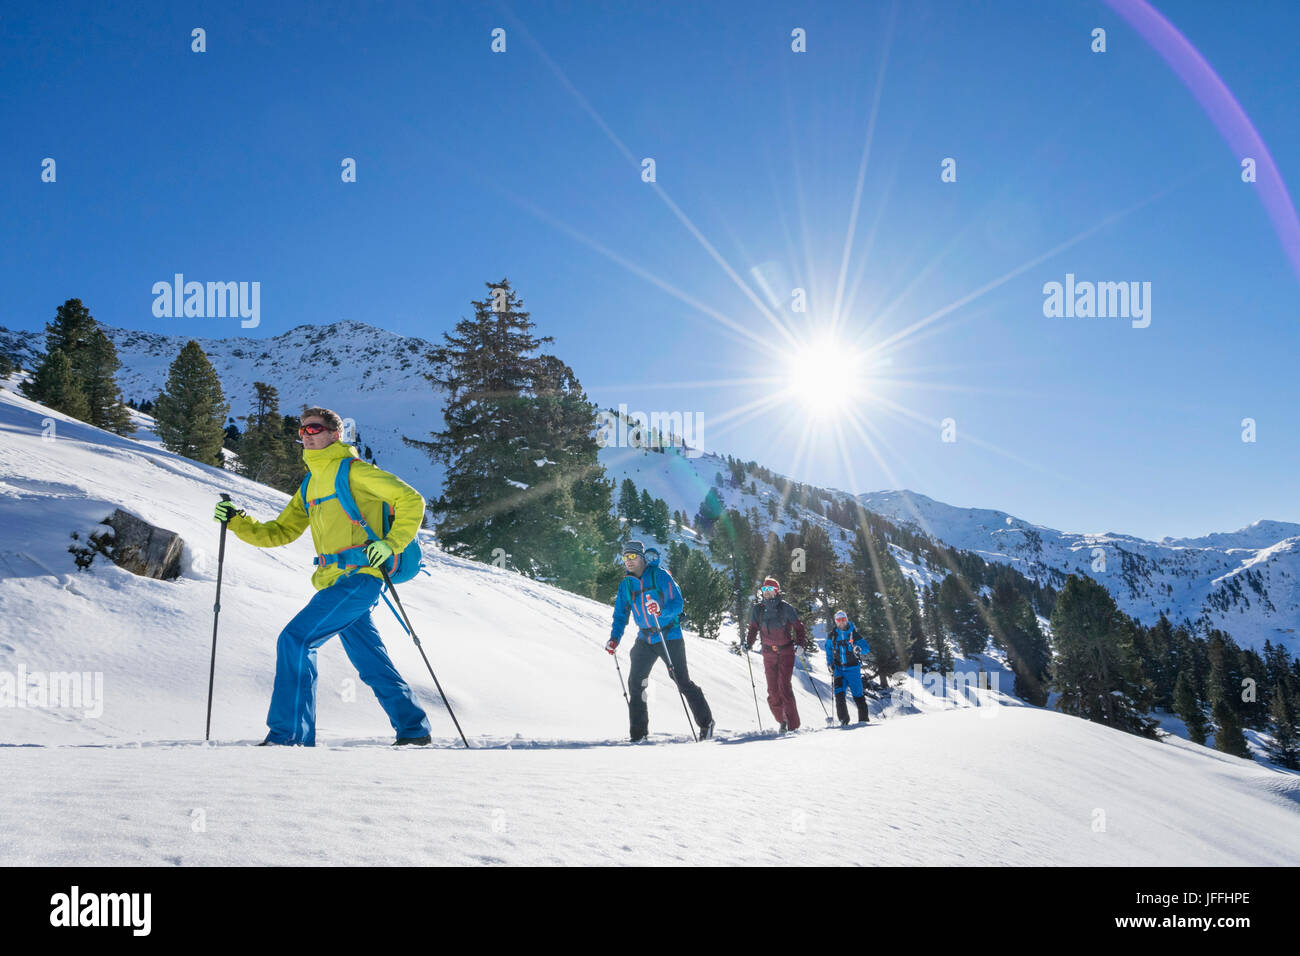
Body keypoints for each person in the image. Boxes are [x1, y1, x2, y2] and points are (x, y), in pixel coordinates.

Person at [212, 406, 432, 747]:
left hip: (360, 577)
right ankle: (414, 730)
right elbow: (280, 531)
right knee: (370, 659)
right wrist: (237, 520)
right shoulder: (310, 485)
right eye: (302, 430)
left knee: (296, 639)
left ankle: (290, 737)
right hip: (334, 581)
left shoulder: (353, 471)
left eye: (314, 429)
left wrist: (391, 544)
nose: (306, 435)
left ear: (335, 434)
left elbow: (411, 500)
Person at [607, 540, 714, 741]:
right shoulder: (626, 585)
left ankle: (706, 723)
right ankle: (638, 735)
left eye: (632, 556)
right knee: (635, 683)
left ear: (641, 557)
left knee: (682, 681)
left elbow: (678, 604)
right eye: (625, 557)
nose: (628, 561)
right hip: (645, 638)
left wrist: (661, 610)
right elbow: (620, 615)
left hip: (669, 635)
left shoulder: (660, 576)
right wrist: (614, 638)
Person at [744, 577, 810, 733]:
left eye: (769, 590)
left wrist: (800, 644)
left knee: (784, 688)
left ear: (776, 591)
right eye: (764, 590)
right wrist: (748, 643)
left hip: (786, 652)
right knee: (772, 692)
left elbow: (799, 628)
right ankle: (782, 721)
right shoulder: (758, 610)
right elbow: (753, 629)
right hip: (768, 653)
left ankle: (793, 726)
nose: (766, 593)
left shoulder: (785, 608)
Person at [825, 609, 871, 725]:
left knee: (858, 694)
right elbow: (829, 650)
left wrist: (858, 648)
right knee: (839, 694)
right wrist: (830, 664)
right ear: (836, 622)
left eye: (843, 619)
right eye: (839, 620)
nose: (841, 622)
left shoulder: (853, 634)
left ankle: (863, 720)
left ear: (847, 620)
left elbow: (866, 648)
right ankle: (844, 720)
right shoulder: (832, 636)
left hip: (853, 669)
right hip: (839, 670)